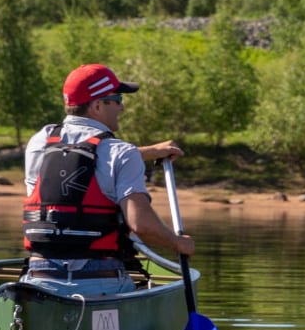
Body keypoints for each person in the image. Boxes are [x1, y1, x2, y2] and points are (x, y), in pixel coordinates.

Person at [22, 63, 192, 289]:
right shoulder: (121, 153)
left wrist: (148, 152)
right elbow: (141, 225)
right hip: (100, 277)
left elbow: (82, 158)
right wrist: (179, 243)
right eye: (118, 99)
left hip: (40, 274)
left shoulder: (39, 141)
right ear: (97, 105)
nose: (121, 108)